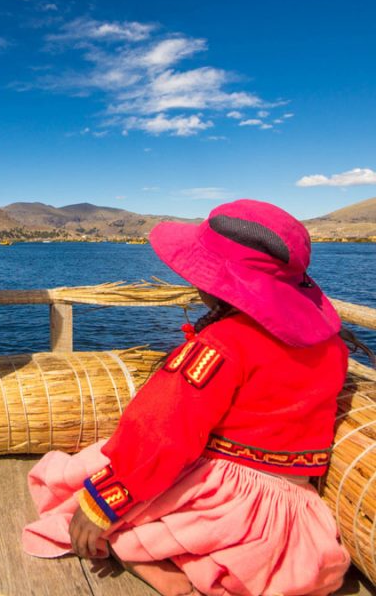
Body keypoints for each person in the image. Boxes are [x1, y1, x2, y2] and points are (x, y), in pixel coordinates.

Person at [22, 199, 351, 596]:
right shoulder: (331, 346)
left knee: (86, 479)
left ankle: (137, 551)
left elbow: (162, 430)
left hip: (225, 499)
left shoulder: (221, 345)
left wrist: (101, 505)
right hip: (288, 510)